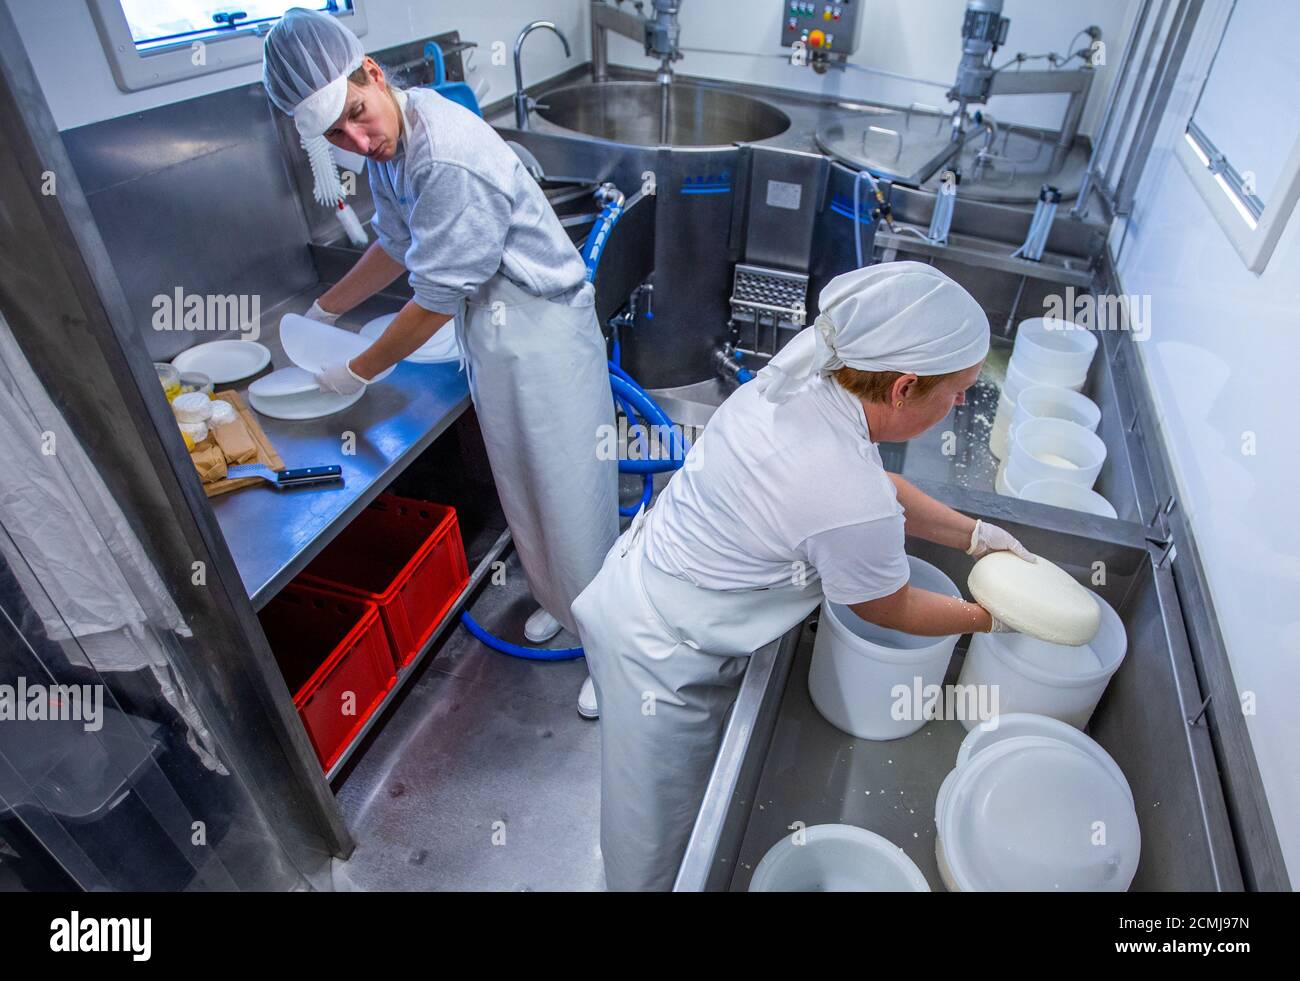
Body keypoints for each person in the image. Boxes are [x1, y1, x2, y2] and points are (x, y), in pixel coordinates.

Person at [572, 261, 1035, 890]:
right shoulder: (843, 490)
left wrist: (973, 536)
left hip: (643, 579)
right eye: (956, 393)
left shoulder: (817, 378)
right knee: (653, 838)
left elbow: (881, 489)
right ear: (901, 388)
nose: (960, 406)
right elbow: (886, 607)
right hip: (660, 652)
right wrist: (990, 616)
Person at [262, 9, 616, 717]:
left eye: (357, 115)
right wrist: (325, 309)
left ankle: (612, 652)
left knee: (573, 498)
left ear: (373, 74)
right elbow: (395, 243)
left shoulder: (447, 153)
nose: (358, 140)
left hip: (543, 335)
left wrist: (357, 368)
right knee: (525, 490)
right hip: (493, 332)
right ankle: (563, 605)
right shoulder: (392, 146)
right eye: (337, 135)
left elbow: (429, 298)